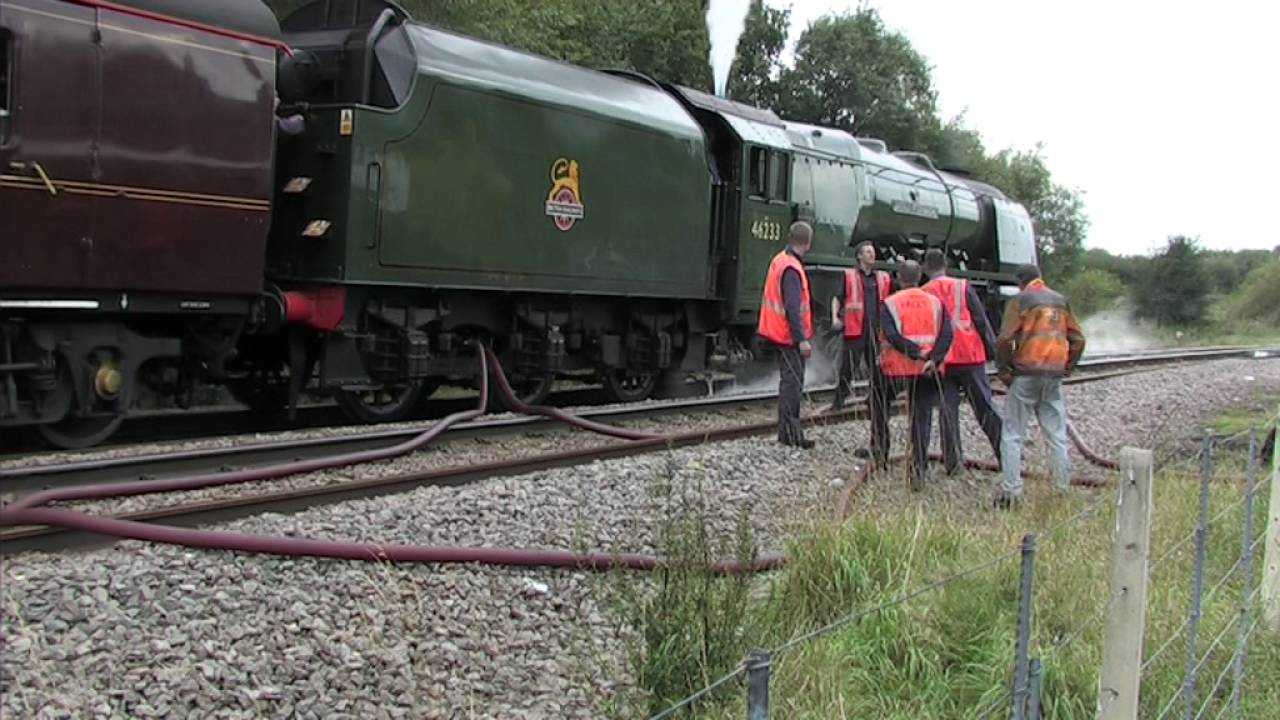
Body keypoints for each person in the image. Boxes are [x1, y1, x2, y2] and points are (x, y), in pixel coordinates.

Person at [994, 264, 1087, 508]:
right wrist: (1067, 366)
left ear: (1021, 282)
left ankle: (1012, 493)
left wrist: (1004, 370)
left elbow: (1005, 338)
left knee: (1013, 435)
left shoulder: (1021, 300)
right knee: (1056, 435)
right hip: (1053, 376)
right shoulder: (1060, 300)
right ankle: (1061, 490)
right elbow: (1078, 338)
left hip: (1026, 374)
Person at [873, 260, 953, 489]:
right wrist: (932, 359)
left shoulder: (890, 303)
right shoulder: (936, 303)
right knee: (921, 419)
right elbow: (947, 334)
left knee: (878, 405)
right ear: (920, 278)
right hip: (926, 371)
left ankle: (880, 453)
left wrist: (915, 352)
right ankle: (917, 472)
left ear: (899, 278)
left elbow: (891, 335)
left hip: (894, 370)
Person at [921, 249, 1002, 474]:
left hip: (942, 360)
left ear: (926, 268)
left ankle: (953, 464)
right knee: (985, 407)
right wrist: (993, 351)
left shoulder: (924, 292)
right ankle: (1006, 455)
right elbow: (980, 318)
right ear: (945, 265)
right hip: (969, 354)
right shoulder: (962, 286)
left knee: (948, 412)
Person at [757, 221, 816, 449]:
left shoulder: (780, 259)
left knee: (789, 383)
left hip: (779, 332)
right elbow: (792, 307)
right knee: (792, 385)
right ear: (808, 243)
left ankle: (787, 433)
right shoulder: (791, 267)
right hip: (788, 336)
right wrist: (801, 339)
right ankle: (791, 435)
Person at [829, 241, 893, 411]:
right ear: (859, 256)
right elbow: (837, 297)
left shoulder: (883, 278)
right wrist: (835, 317)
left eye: (872, 252)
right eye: (868, 252)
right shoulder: (849, 276)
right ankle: (838, 402)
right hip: (856, 330)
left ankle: (875, 400)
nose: (872, 255)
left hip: (876, 331)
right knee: (847, 368)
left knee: (878, 369)